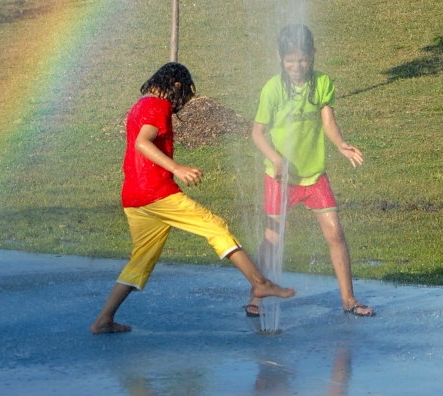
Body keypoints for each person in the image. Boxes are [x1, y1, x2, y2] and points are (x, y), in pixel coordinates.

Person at [90, 62, 294, 334]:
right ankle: (259, 282)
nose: (181, 104)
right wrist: (177, 168)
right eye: (183, 95)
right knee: (215, 226)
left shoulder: (140, 104)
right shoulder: (158, 106)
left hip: (134, 197)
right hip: (156, 192)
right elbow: (142, 142)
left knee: (140, 261)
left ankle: (103, 319)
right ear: (175, 86)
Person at [246, 25, 374, 319]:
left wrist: (341, 144)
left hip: (314, 175)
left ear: (313, 55)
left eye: (302, 59)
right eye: (290, 60)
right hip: (281, 178)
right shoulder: (273, 89)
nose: (296, 66)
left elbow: (328, 123)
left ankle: (349, 300)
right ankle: (255, 297)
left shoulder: (322, 83)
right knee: (273, 240)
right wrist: (276, 159)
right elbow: (257, 133)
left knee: (336, 234)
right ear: (280, 57)